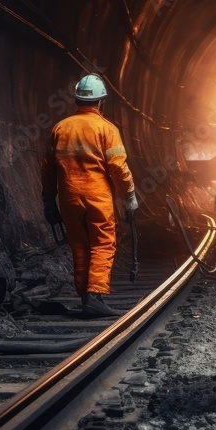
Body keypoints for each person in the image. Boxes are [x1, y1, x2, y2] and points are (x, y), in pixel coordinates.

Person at [41, 74, 138, 317]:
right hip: (97, 197)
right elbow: (118, 167)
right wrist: (129, 195)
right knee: (103, 243)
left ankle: (85, 296)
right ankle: (95, 295)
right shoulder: (107, 129)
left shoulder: (60, 128)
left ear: (77, 100)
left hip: (69, 198)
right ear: (101, 102)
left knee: (80, 246)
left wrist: (48, 200)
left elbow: (48, 168)